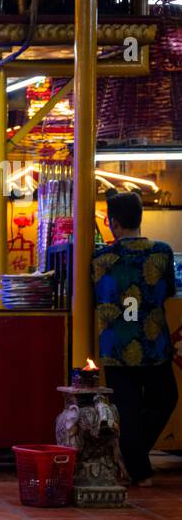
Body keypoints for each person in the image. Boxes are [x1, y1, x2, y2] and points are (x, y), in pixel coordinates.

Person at [93, 188, 178, 487]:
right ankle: (136, 464)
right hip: (154, 343)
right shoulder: (162, 252)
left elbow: (92, 297)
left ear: (113, 223)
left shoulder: (101, 258)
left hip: (115, 344)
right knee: (165, 398)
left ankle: (134, 463)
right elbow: (168, 290)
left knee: (126, 409)